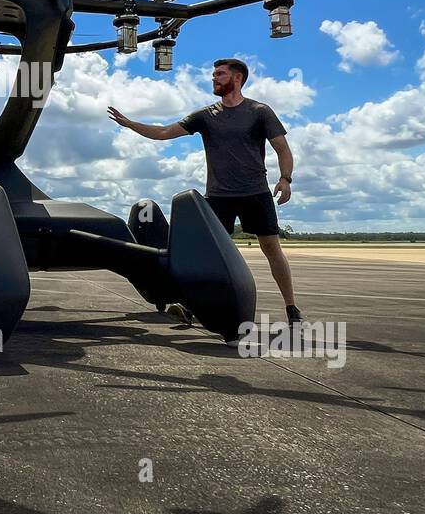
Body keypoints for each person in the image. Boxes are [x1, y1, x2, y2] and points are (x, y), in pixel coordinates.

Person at [107, 57, 302, 325]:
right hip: (218, 196)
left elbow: (282, 148)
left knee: (271, 248)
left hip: (255, 192)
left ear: (237, 78)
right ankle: (191, 306)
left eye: (220, 74)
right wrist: (131, 125)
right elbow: (164, 132)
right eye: (214, 75)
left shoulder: (260, 111)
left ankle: (291, 308)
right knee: (207, 254)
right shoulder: (205, 116)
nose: (214, 78)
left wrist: (285, 178)